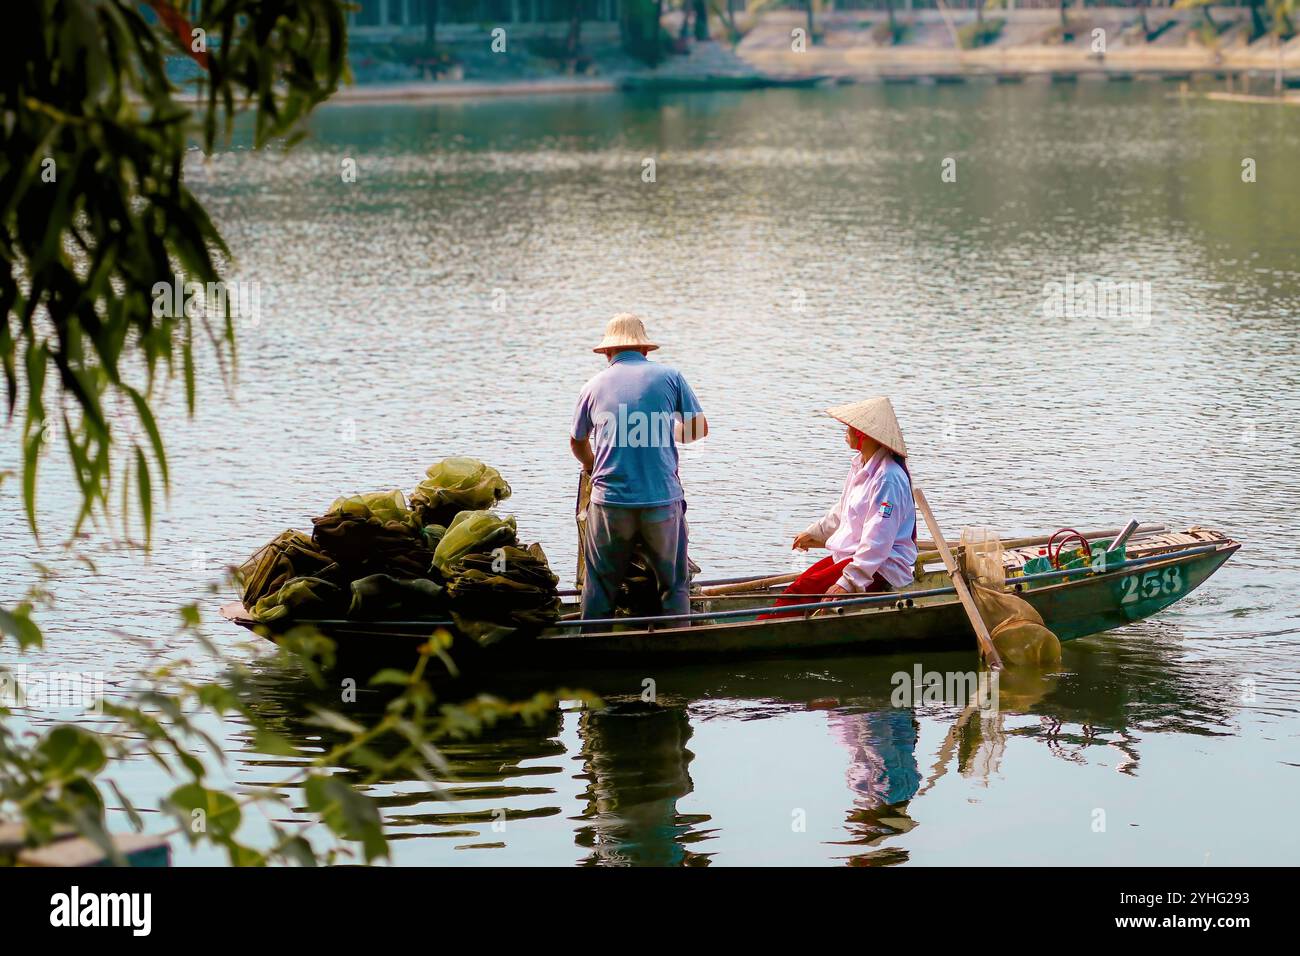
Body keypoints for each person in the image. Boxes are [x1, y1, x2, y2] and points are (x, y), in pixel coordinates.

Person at [570, 314, 708, 622]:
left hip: (610, 503)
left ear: (608, 352)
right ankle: (676, 642)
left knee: (600, 586)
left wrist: (592, 465)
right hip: (661, 501)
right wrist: (668, 432)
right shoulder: (670, 377)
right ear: (645, 350)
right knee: (673, 585)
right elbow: (699, 429)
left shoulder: (591, 387)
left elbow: (578, 441)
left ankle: (593, 647)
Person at [763, 396, 916, 619]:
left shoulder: (887, 478)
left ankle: (766, 628)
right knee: (798, 589)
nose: (847, 431)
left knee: (800, 594)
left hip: (880, 567)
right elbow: (844, 510)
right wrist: (814, 532)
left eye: (851, 428)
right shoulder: (861, 465)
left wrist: (849, 581)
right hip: (855, 556)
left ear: (864, 435)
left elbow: (878, 539)